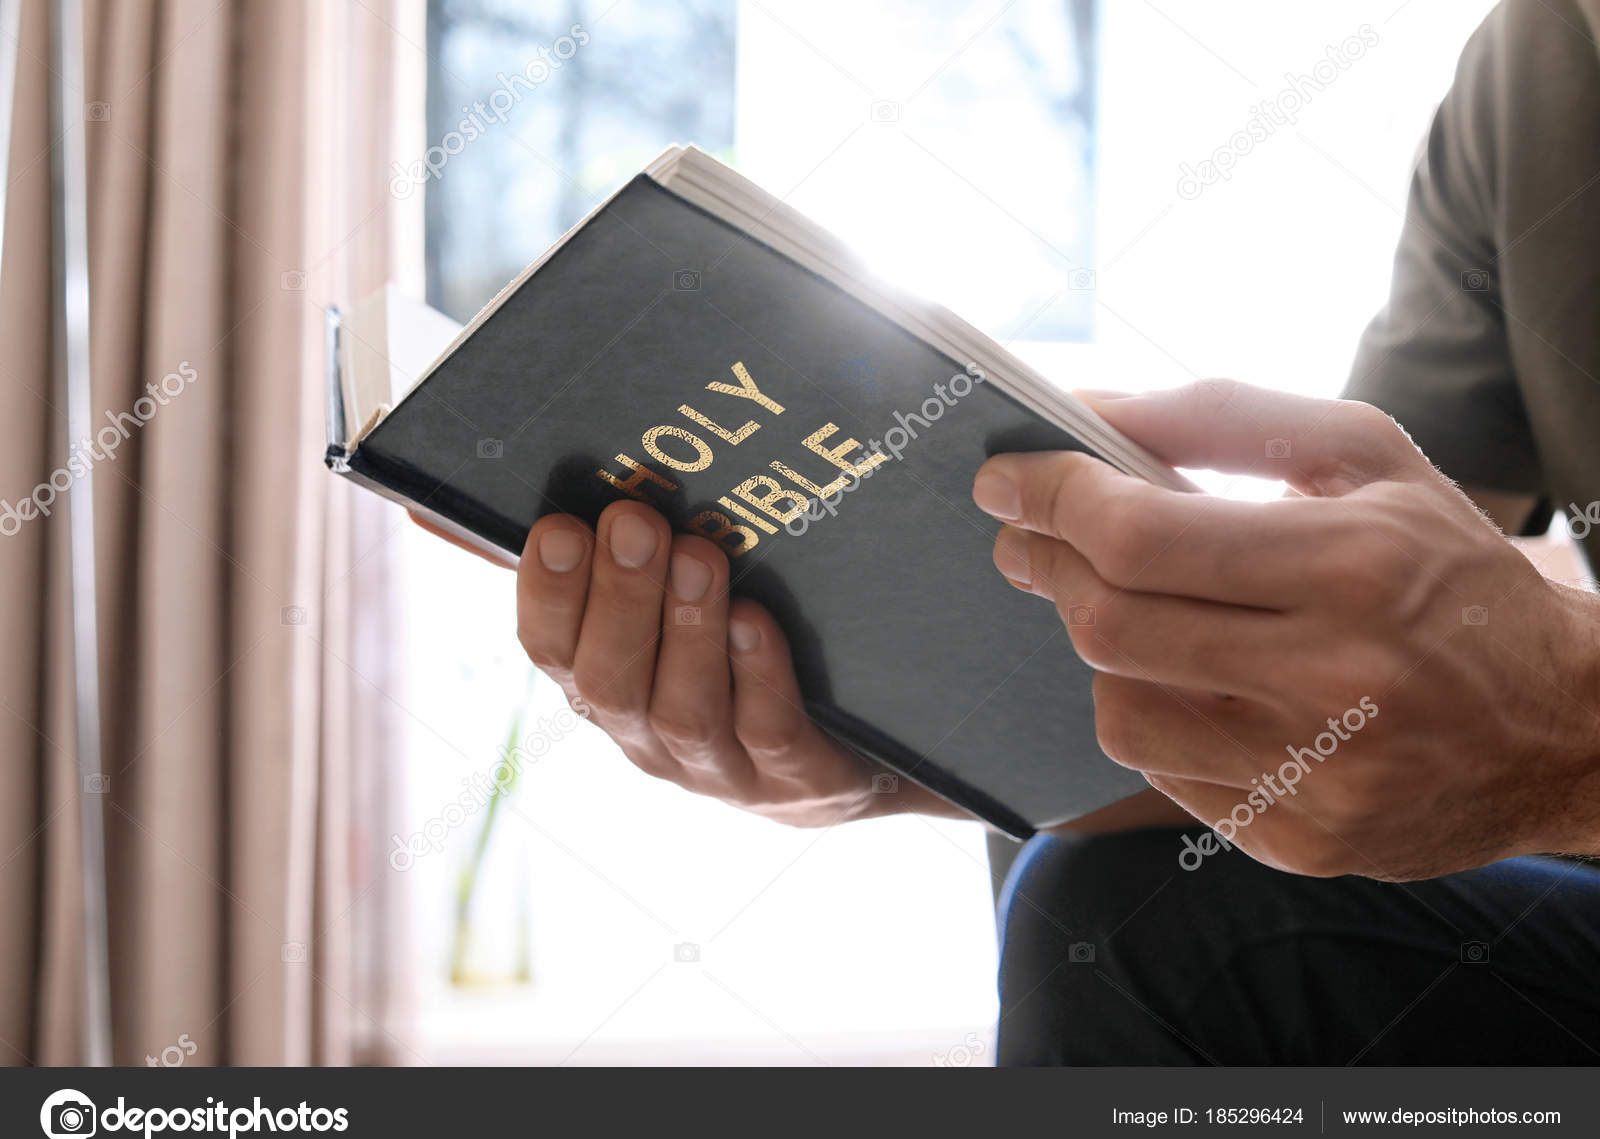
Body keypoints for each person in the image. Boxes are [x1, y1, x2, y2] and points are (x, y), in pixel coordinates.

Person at [432, 0, 1600, 1063]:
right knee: (1102, 866)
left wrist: (1568, 725)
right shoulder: (1537, 74)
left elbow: (1522, 702)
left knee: (1172, 936)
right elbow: (1371, 699)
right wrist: (900, 755)